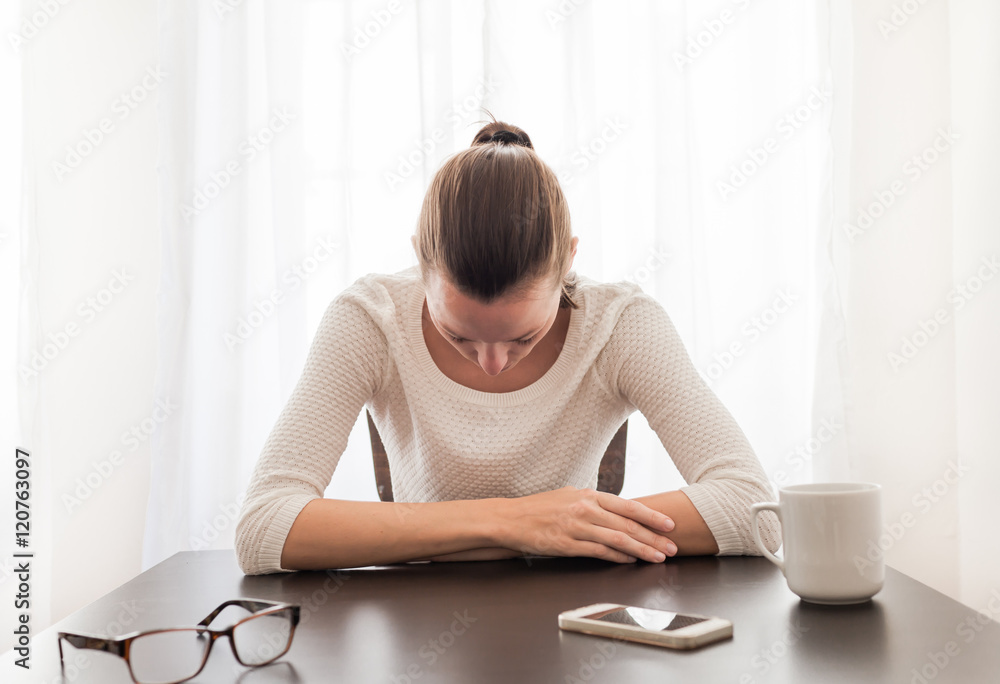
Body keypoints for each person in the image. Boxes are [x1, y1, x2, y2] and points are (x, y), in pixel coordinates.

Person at [234, 115, 781, 576]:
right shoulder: (369, 320)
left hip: (574, 626)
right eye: (459, 335)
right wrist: (519, 522)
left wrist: (567, 526)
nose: (493, 364)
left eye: (523, 336)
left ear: (568, 260)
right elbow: (264, 525)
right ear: (421, 265)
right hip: (421, 631)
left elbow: (753, 507)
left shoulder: (620, 324)